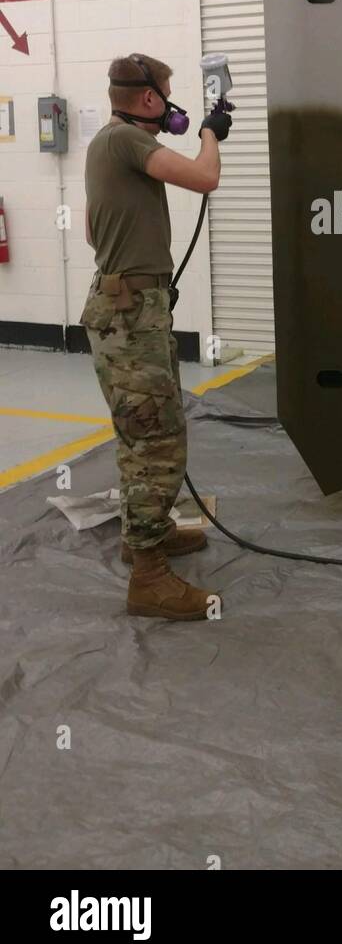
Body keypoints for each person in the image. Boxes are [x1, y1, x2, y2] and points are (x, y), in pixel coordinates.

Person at [81, 54, 231, 620]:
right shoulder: (124, 142)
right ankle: (148, 578)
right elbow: (205, 177)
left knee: (142, 433)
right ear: (148, 100)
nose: (171, 107)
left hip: (132, 307)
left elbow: (94, 225)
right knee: (157, 442)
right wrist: (211, 134)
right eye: (167, 97)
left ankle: (148, 533)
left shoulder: (107, 144)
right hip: (130, 317)